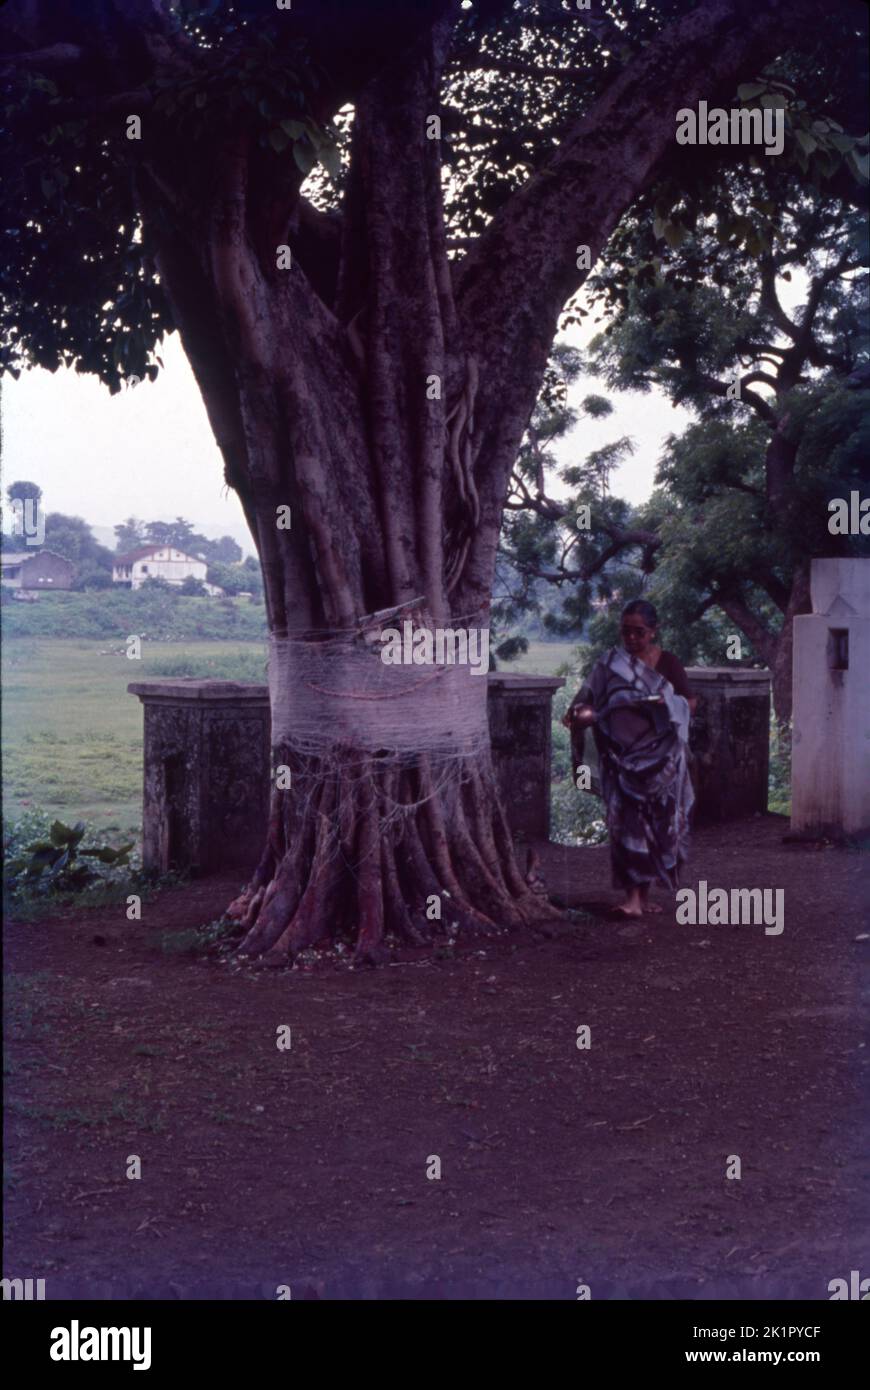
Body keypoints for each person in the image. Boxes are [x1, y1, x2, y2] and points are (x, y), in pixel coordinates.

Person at [563, 600, 697, 918]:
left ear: (653, 631)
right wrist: (579, 716)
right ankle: (632, 900)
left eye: (639, 633)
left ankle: (645, 896)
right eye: (626, 632)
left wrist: (666, 704)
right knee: (625, 828)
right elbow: (584, 703)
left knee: (656, 830)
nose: (632, 639)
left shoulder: (668, 664)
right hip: (620, 762)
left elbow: (690, 703)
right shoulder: (609, 665)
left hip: (662, 764)